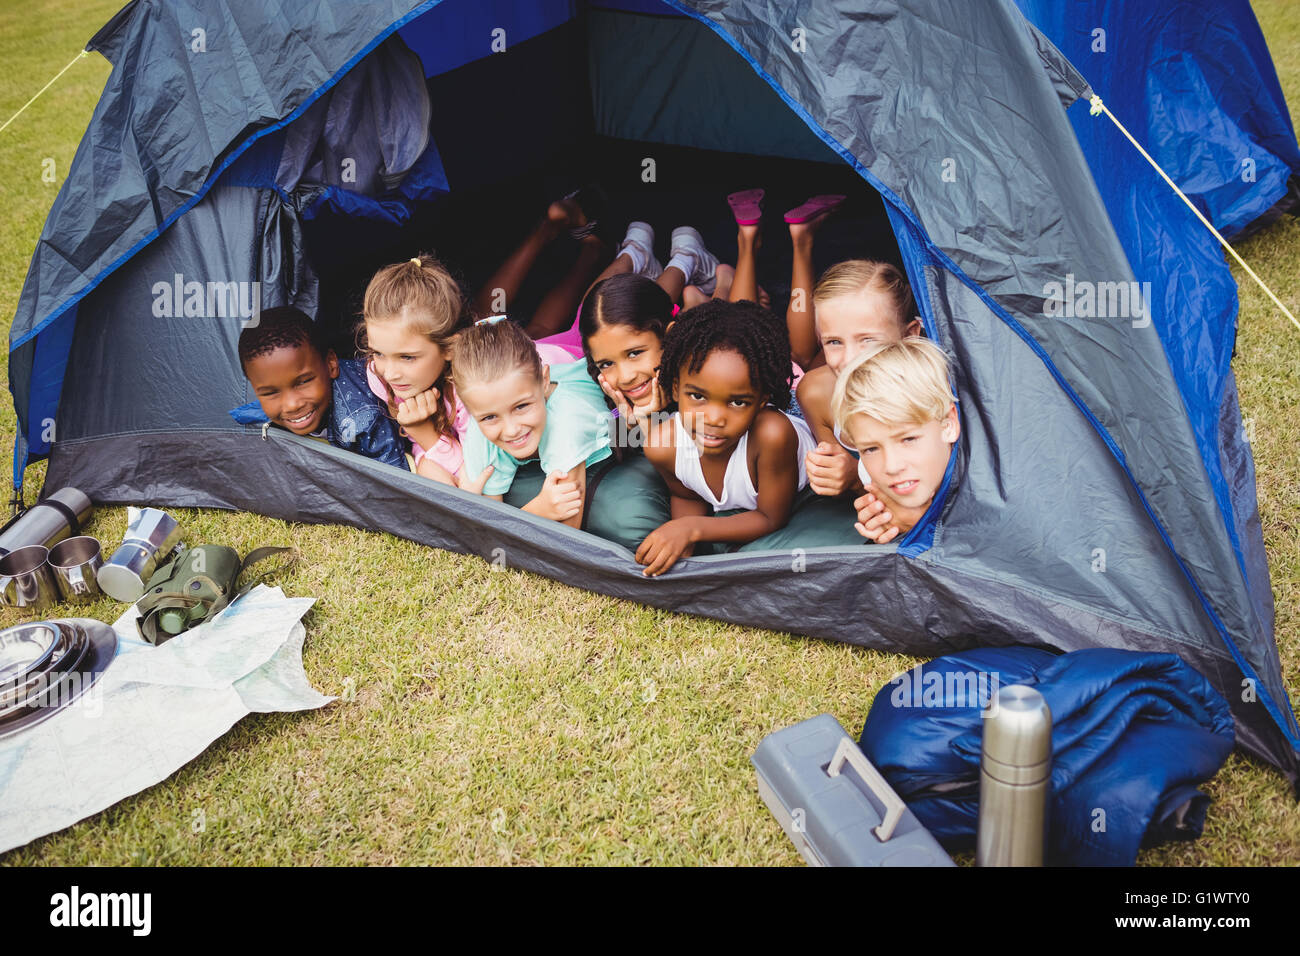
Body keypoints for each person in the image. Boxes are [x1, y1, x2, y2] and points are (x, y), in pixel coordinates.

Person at [637, 299, 816, 575]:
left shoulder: (772, 435)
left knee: (812, 372)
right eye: (697, 396)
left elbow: (770, 517)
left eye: (737, 402)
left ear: (760, 401)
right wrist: (682, 546)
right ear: (675, 390)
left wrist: (690, 529)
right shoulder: (661, 447)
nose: (714, 418)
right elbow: (685, 493)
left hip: (799, 416)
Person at [454, 318, 613, 528]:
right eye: (490, 417)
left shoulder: (567, 424)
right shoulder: (483, 418)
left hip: (571, 355)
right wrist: (537, 510)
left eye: (521, 407)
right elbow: (488, 527)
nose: (511, 430)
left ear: (545, 381)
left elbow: (567, 536)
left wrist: (531, 513)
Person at [795, 260, 924, 502]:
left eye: (868, 340)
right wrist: (832, 472)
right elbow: (852, 486)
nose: (850, 359)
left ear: (909, 335)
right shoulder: (816, 394)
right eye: (834, 342)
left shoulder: (932, 394)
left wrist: (856, 476)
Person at [232, 305, 407, 469]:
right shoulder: (290, 405)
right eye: (271, 392)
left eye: (303, 382)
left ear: (331, 365)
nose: (292, 404)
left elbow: (397, 482)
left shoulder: (362, 418)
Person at [831, 337, 960, 544]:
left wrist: (920, 528)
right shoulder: (881, 488)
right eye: (871, 449)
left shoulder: (997, 487)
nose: (891, 466)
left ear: (948, 425)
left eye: (908, 439)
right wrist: (894, 532)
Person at [361, 254, 468, 486]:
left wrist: (423, 432)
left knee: (541, 328)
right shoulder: (378, 376)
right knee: (429, 470)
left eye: (407, 357)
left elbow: (479, 472)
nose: (390, 374)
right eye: (378, 353)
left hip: (549, 356)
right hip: (444, 447)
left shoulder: (471, 389)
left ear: (449, 348)